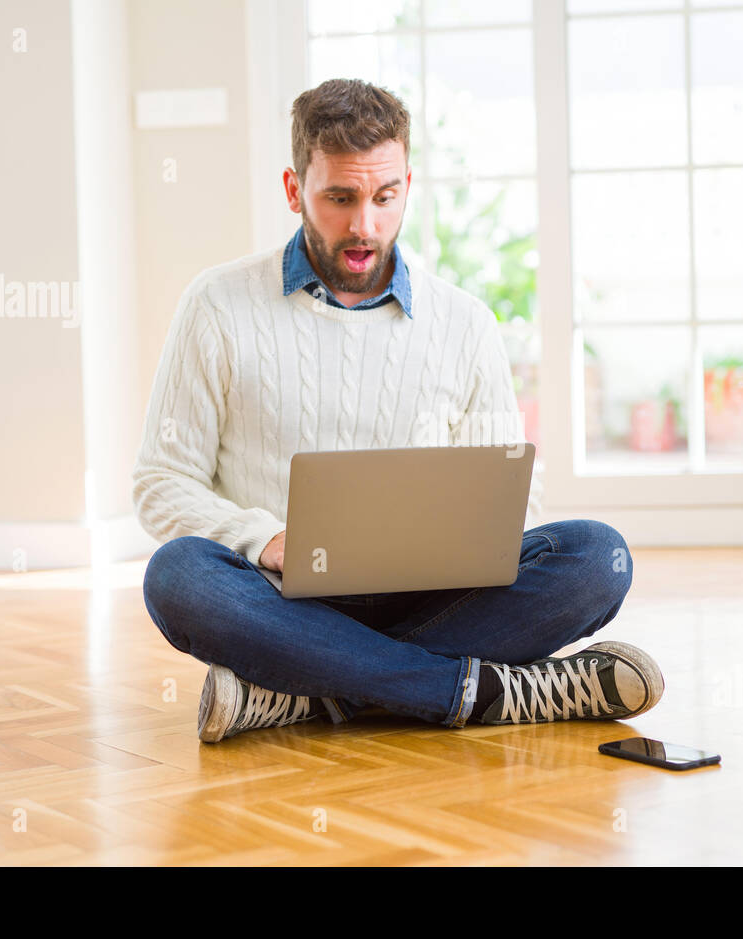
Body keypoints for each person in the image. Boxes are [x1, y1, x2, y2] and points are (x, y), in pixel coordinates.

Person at [133, 78, 664, 743]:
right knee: (178, 576)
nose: (365, 226)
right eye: (340, 198)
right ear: (295, 190)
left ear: (407, 186)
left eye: (385, 198)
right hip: (280, 598)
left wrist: (453, 545)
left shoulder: (466, 323)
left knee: (598, 556)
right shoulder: (217, 305)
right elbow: (160, 481)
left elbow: (512, 509)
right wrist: (266, 539)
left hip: (432, 598)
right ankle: (480, 691)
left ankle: (306, 693)